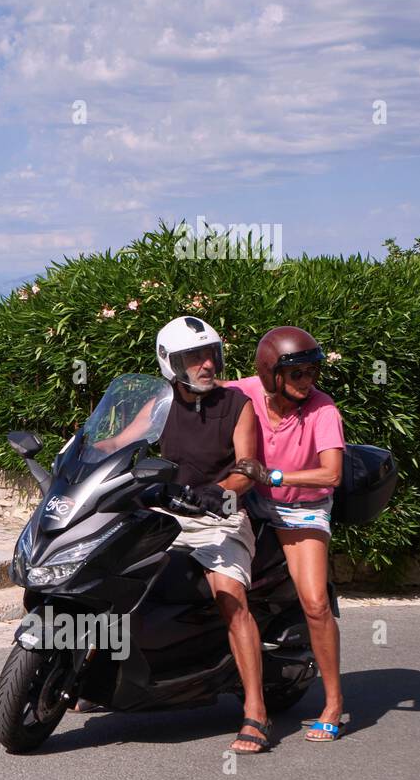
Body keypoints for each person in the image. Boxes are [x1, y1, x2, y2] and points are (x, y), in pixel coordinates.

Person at [76, 316, 269, 753]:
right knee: (110, 574)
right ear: (171, 364)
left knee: (230, 599)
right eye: (193, 357)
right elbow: (120, 443)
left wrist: (217, 492)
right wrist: (80, 454)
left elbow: (248, 467)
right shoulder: (162, 405)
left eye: (210, 355)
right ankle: (89, 672)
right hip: (165, 513)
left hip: (217, 517)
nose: (206, 365)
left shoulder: (237, 405)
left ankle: (255, 710)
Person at [226, 327, 346, 742]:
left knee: (314, 603)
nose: (307, 382)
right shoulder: (243, 393)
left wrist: (274, 475)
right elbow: (192, 395)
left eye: (312, 373)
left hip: (302, 509)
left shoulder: (322, 409)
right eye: (297, 374)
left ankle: (333, 703)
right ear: (270, 374)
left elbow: (331, 473)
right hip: (251, 501)